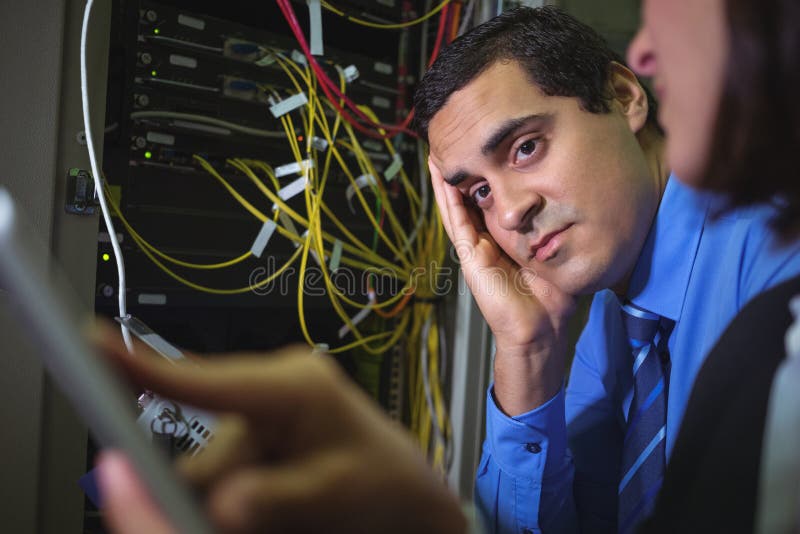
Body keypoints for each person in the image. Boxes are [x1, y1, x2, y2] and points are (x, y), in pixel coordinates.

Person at [94, 3, 800, 533]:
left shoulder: (776, 267)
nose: (512, 211)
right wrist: (526, 350)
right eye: (478, 192)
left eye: (525, 148)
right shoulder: (619, 323)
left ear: (624, 97)